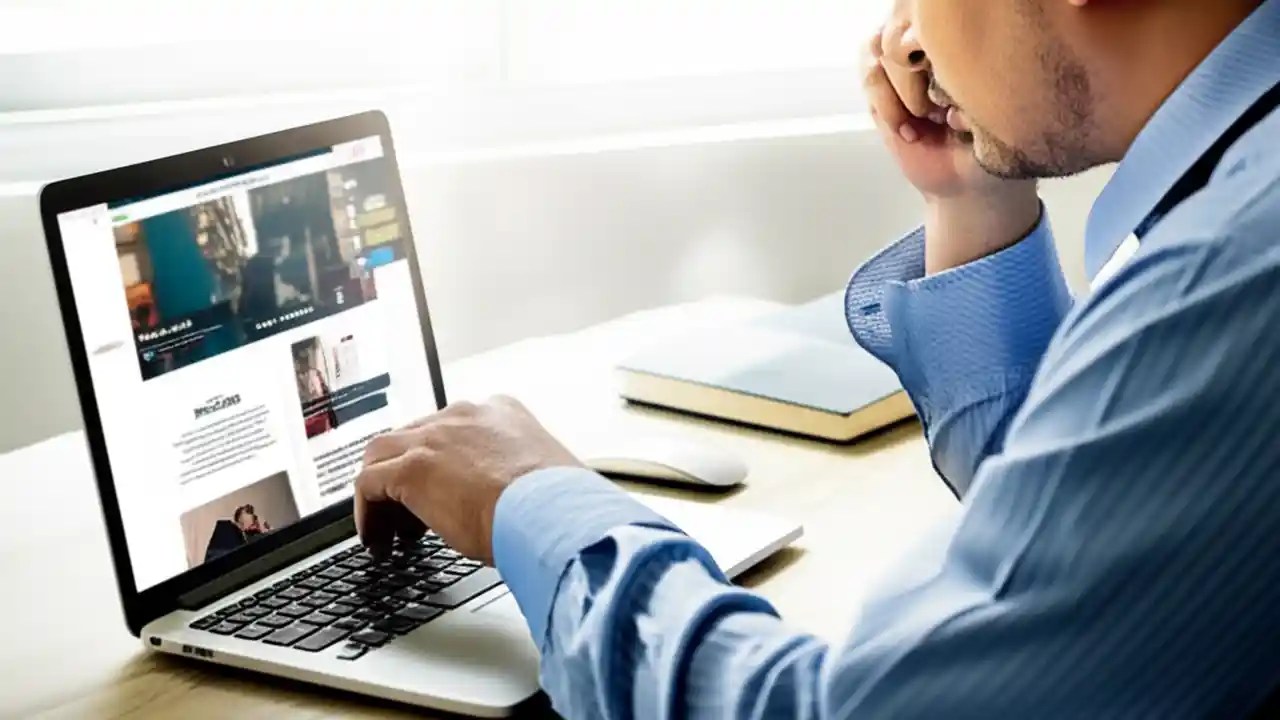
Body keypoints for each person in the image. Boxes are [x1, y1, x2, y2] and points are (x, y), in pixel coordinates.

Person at [354, 0, 1280, 716]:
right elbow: (1086, 557)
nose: (906, 38)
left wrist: (533, 501)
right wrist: (975, 202)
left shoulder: (1236, 266)